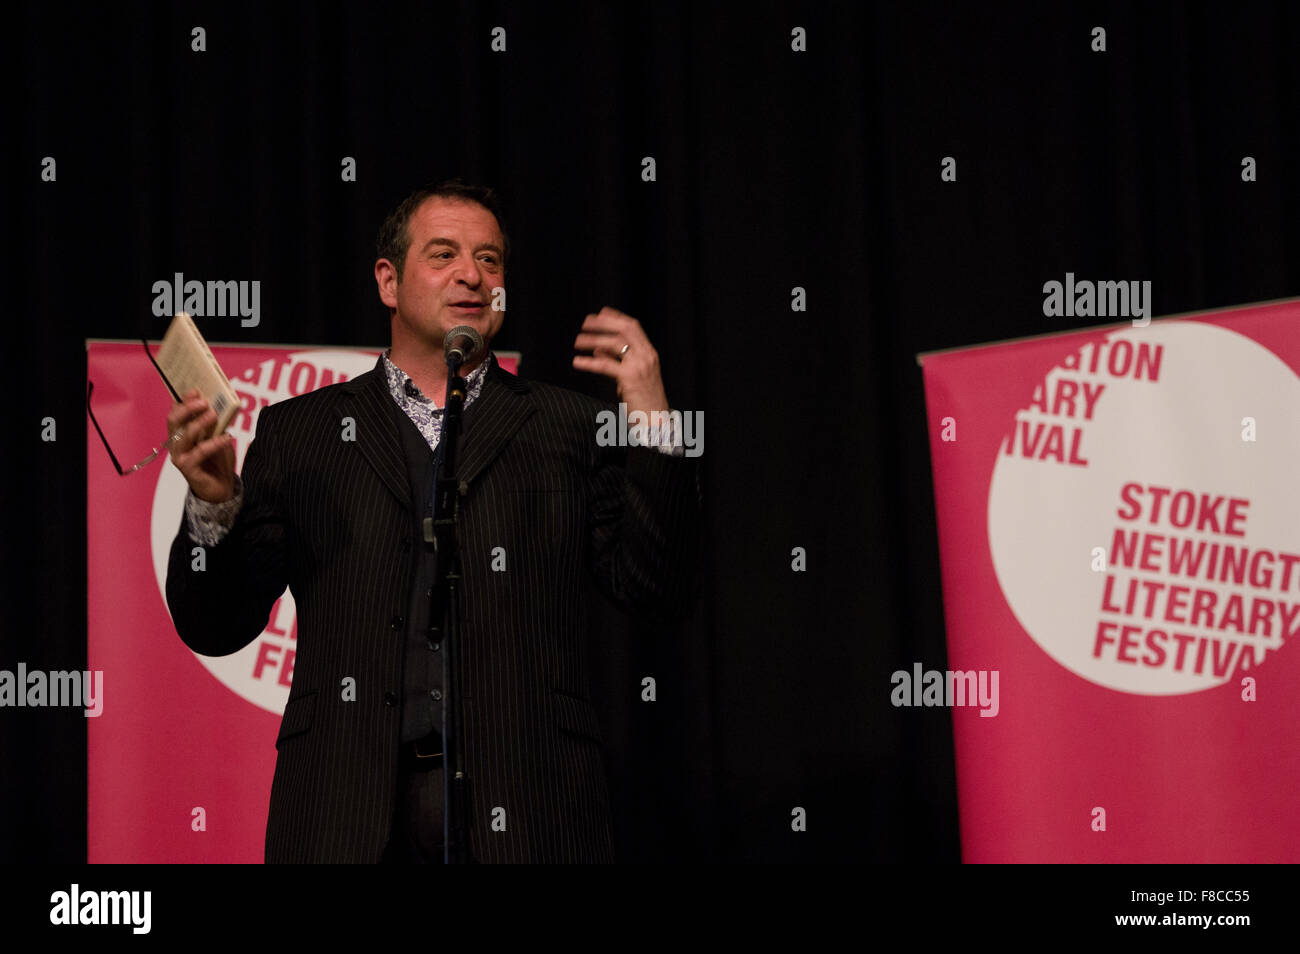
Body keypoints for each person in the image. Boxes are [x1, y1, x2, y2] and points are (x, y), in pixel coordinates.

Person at [163, 180, 701, 863]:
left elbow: (661, 587)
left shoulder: (568, 427)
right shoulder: (303, 433)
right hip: (343, 815)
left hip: (530, 812)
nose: (472, 275)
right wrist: (214, 503)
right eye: (443, 254)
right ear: (388, 281)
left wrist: (654, 424)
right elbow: (215, 625)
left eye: (491, 260)